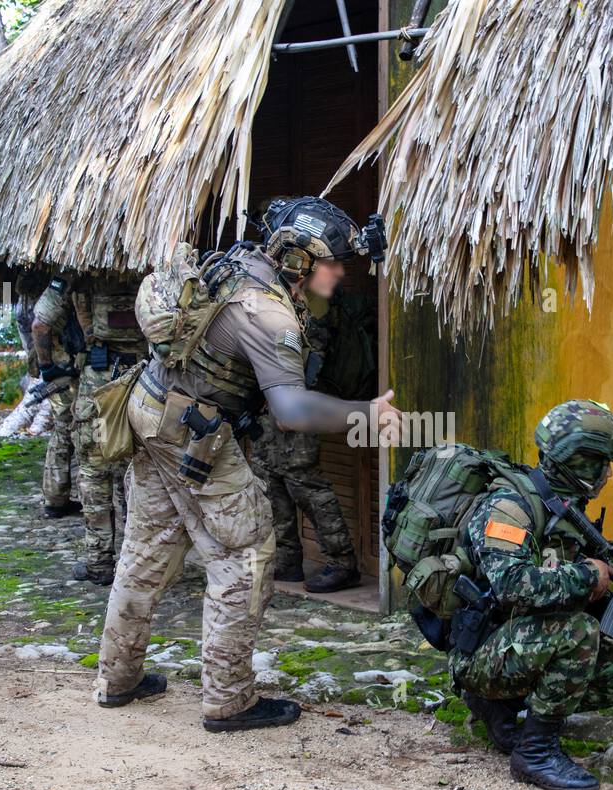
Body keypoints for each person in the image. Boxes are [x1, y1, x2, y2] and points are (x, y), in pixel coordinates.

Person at [96, 196, 399, 732]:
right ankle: (228, 700)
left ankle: (117, 678)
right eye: (332, 264)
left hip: (152, 409)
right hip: (190, 430)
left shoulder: (238, 264)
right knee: (247, 552)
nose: (339, 275)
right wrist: (367, 414)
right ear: (301, 260)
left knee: (146, 549)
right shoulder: (270, 313)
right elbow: (291, 410)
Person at [451, 400, 613, 790]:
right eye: (602, 462)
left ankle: (502, 707)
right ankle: (535, 751)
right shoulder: (511, 507)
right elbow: (512, 585)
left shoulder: (566, 508)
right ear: (578, 460)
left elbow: (561, 586)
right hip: (479, 652)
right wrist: (590, 574)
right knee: (579, 633)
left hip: (518, 643)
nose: (608, 473)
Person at [249, 289, 367, 593]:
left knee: (305, 482)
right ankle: (287, 561)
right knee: (268, 478)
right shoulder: (277, 294)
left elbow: (313, 357)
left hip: (296, 404)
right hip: (270, 404)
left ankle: (343, 563)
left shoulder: (312, 299)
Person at [68, 283, 149, 584]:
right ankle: (134, 563)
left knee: (94, 474)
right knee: (133, 476)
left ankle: (100, 562)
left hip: (99, 386)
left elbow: (41, 323)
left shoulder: (84, 279)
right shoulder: (147, 278)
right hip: (141, 380)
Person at [30, 277, 84, 520]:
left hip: (72, 365)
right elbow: (39, 325)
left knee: (67, 429)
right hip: (64, 367)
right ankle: (55, 499)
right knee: (65, 428)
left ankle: (56, 498)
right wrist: (48, 367)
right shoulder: (64, 284)